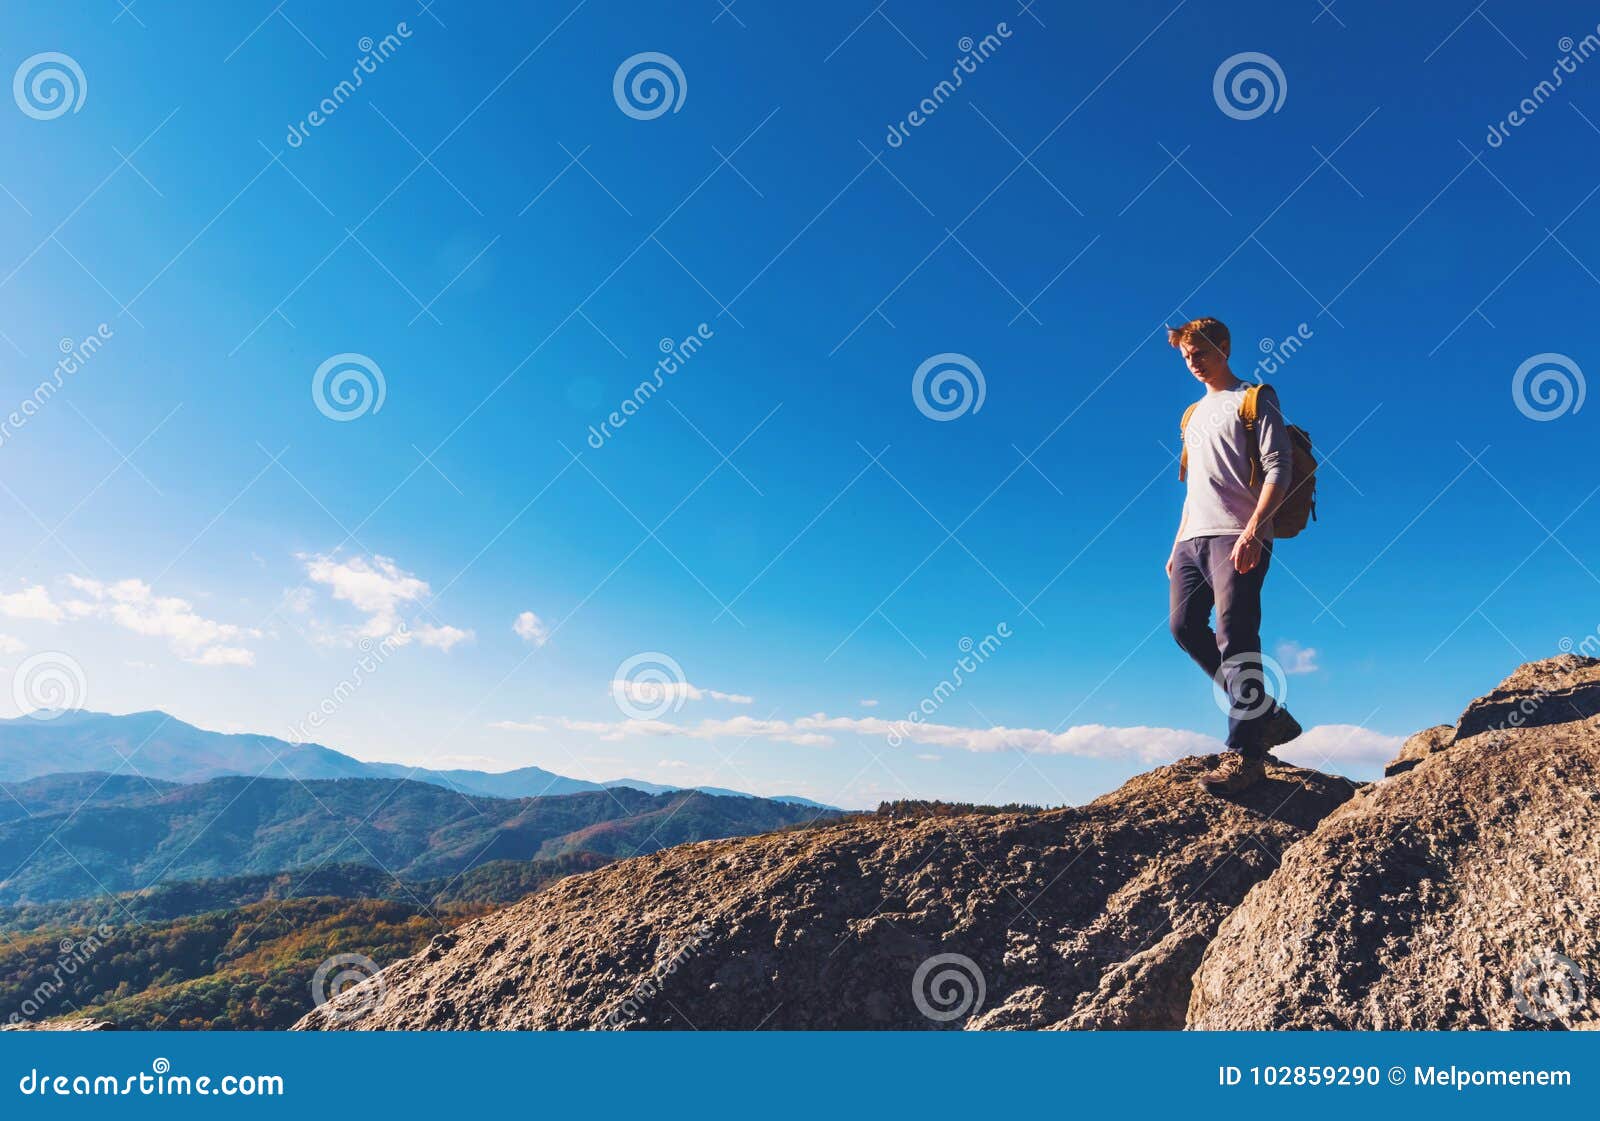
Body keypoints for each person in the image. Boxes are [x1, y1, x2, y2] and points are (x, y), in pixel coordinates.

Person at [1165, 317, 1301, 793]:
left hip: (1237, 534)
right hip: (1191, 539)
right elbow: (1195, 487)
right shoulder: (1190, 415)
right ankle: (1265, 715)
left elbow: (1278, 467)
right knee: (1183, 628)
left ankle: (1246, 754)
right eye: (1186, 357)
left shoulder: (1254, 397)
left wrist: (1255, 527)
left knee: (1234, 631)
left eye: (1199, 353)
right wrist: (1175, 543)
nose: (1193, 362)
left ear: (1223, 347)